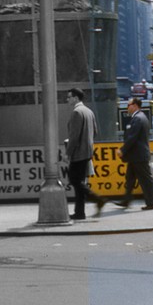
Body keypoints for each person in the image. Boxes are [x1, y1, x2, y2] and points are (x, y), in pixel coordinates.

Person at [115, 98, 153, 211]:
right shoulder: (140, 117)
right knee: (130, 178)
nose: (127, 107)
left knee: (145, 179)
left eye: (128, 105)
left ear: (135, 105)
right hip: (136, 156)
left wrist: (122, 150)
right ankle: (126, 200)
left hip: (139, 155)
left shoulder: (138, 118)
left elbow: (132, 137)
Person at [65, 88, 101, 220]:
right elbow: (95, 132)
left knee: (74, 180)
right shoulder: (89, 111)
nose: (67, 100)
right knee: (79, 181)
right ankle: (80, 212)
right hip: (87, 152)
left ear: (75, 98)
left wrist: (68, 153)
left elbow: (74, 136)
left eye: (69, 97)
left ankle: (97, 199)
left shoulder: (76, 112)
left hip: (78, 153)